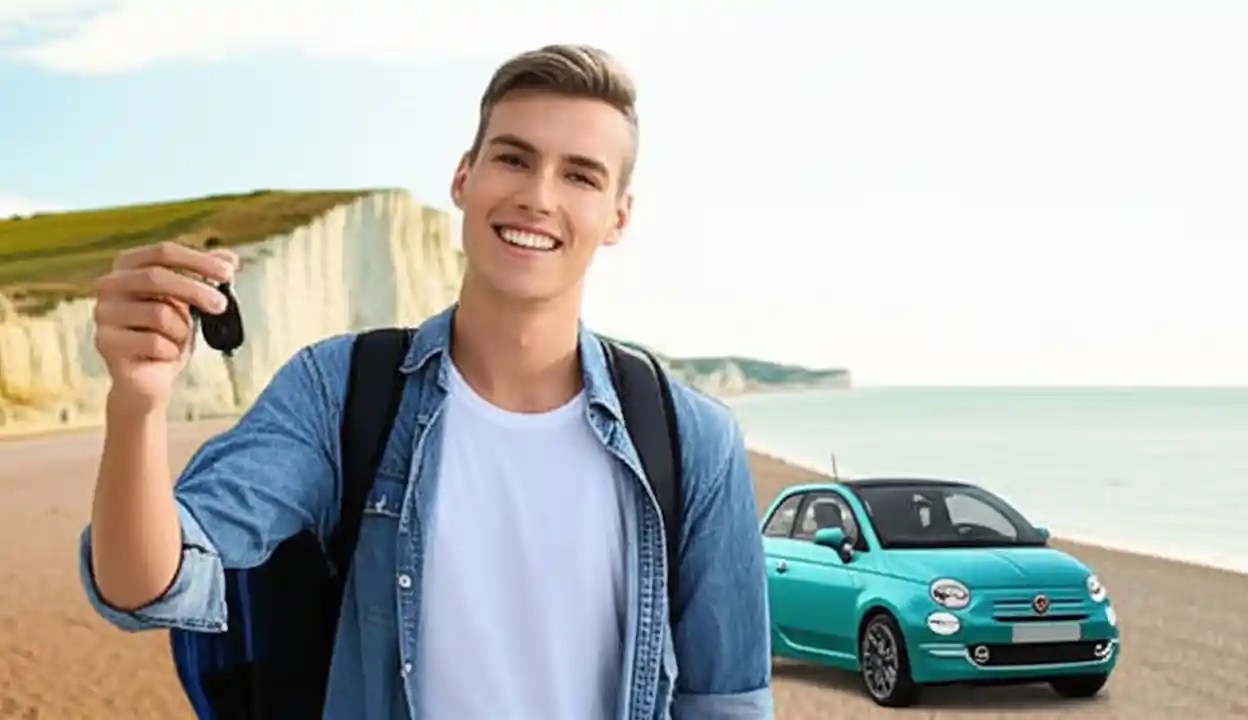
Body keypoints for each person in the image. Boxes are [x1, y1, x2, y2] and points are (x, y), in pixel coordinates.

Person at [77, 44, 773, 719]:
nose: (537, 196)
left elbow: (727, 703)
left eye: (581, 176)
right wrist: (136, 406)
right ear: (464, 176)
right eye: (513, 158)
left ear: (619, 216)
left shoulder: (694, 442)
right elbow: (146, 587)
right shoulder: (340, 391)